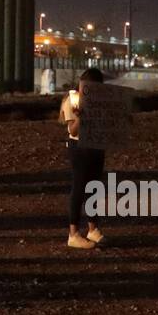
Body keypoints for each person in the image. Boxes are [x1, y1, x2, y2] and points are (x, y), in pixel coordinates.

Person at [60, 68, 107, 249]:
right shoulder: (72, 101)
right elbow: (72, 130)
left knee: (94, 188)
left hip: (96, 146)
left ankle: (93, 229)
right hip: (79, 148)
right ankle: (73, 234)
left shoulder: (100, 102)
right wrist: (83, 116)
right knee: (79, 188)